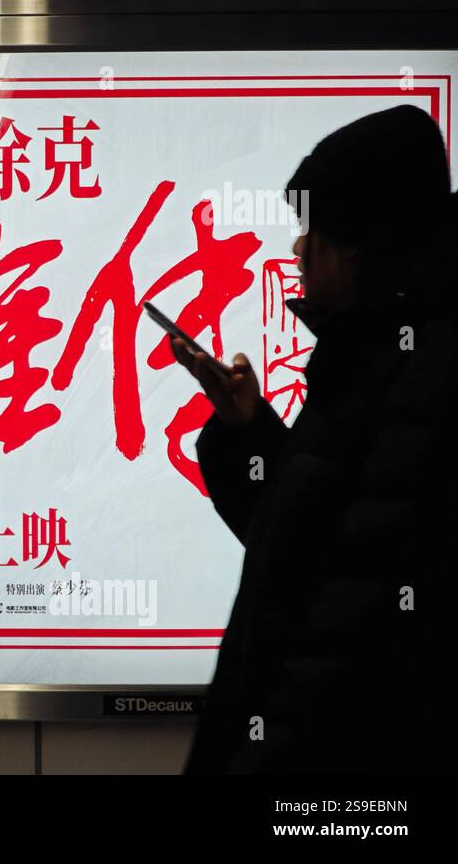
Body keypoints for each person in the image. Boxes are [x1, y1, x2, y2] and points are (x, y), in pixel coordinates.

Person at [172, 104, 458, 774]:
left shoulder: (420, 378)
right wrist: (247, 428)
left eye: (312, 231)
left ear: (357, 243)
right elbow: (313, 547)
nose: (297, 251)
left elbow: (352, 626)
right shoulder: (371, 357)